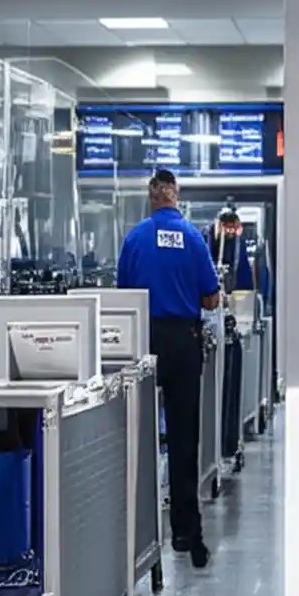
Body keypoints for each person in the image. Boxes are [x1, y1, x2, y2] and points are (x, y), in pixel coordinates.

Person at [116, 168, 221, 567]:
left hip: (144, 340)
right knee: (183, 438)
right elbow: (210, 299)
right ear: (175, 196)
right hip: (183, 342)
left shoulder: (135, 238)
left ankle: (138, 533)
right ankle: (185, 531)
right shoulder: (193, 238)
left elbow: (122, 295)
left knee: (138, 434)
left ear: (151, 196)